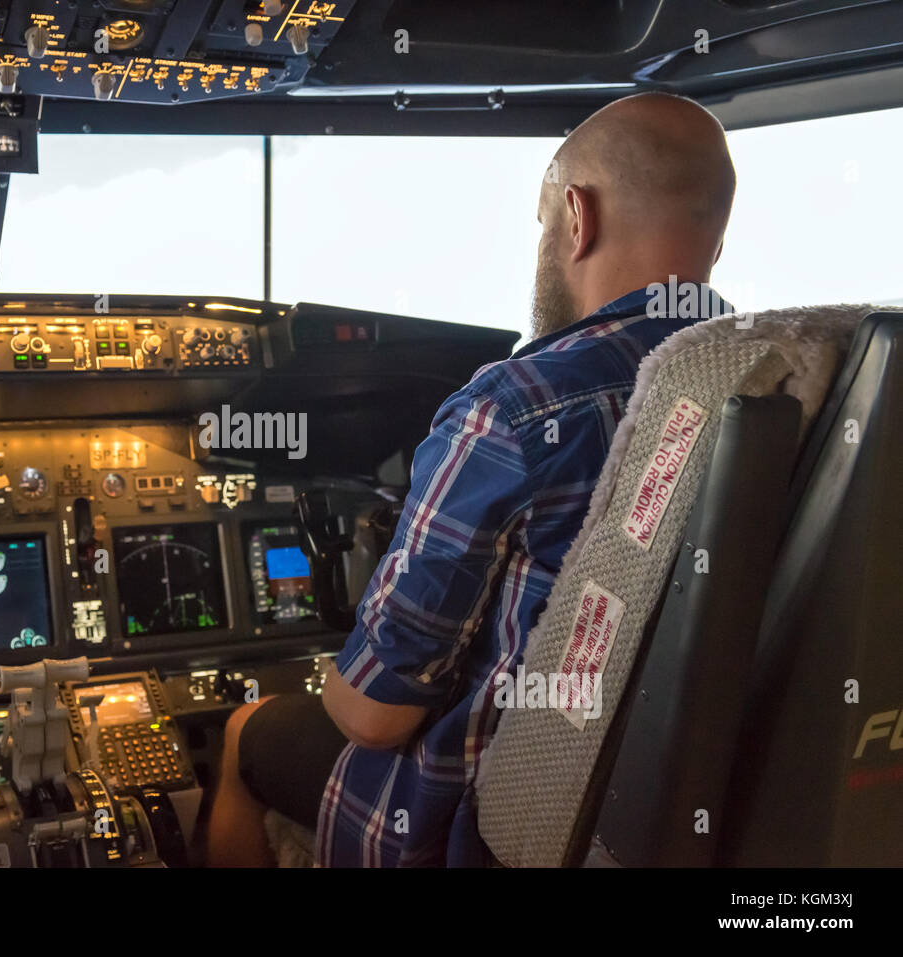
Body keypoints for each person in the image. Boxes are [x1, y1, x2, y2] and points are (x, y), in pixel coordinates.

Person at [207, 92, 739, 867]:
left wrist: (334, 666)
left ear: (576, 216)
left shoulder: (516, 406)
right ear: (713, 244)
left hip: (469, 822)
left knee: (244, 731)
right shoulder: (777, 379)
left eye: (542, 225)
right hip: (662, 809)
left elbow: (374, 718)